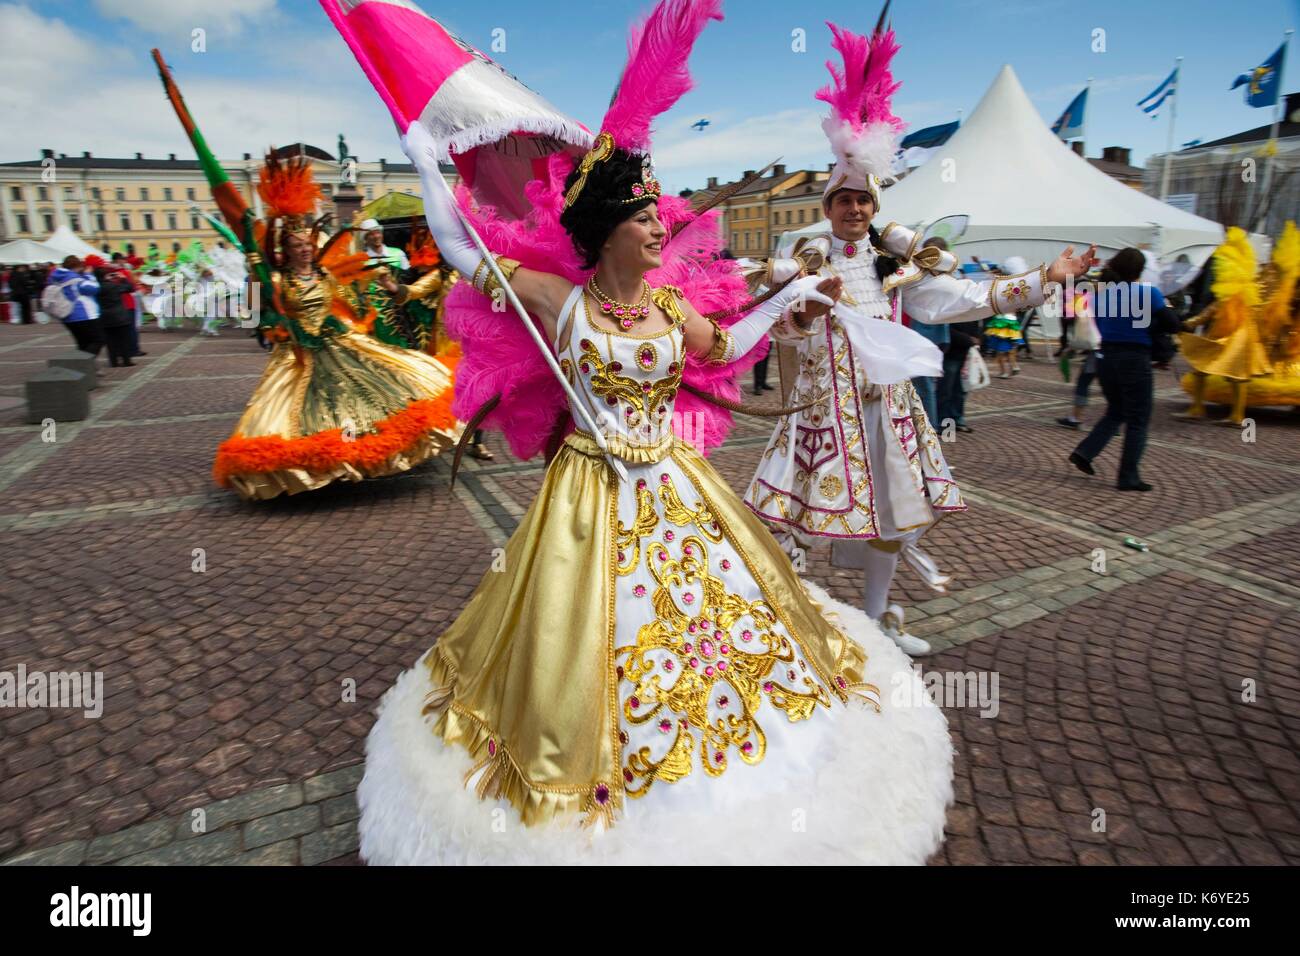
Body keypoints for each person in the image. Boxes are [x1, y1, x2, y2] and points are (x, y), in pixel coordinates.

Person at [347, 0, 953, 866]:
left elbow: (727, 347)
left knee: (735, 617)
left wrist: (790, 299)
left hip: (674, 483)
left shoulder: (668, 304)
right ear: (607, 234)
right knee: (580, 632)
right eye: (645, 219)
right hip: (589, 490)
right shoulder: (559, 300)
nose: (662, 225)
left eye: (659, 216)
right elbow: (460, 249)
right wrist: (424, 159)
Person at [743, 20, 1096, 655]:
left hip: (889, 410)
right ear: (828, 208)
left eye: (863, 201)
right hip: (821, 413)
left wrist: (1045, 279)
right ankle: (794, 630)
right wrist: (807, 316)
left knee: (893, 513)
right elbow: (781, 332)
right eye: (844, 200)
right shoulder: (804, 264)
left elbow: (961, 299)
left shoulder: (896, 267)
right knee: (793, 521)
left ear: (874, 207)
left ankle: (877, 621)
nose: (854, 209)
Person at [211, 150, 463, 500]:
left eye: (306, 245)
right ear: (286, 249)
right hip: (298, 354)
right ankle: (317, 466)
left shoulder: (324, 275)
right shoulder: (279, 280)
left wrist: (371, 300)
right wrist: (262, 290)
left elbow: (351, 303)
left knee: (372, 391)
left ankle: (360, 458)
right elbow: (257, 315)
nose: (304, 250)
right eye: (296, 246)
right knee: (302, 411)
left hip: (337, 340)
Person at [1069, 247, 1178, 490]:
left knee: (1116, 410)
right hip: (1134, 357)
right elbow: (1173, 325)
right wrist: (1166, 309)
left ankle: (1085, 451)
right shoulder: (1149, 293)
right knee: (1138, 418)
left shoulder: (1102, 294)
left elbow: (1096, 322)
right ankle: (1128, 475)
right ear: (1140, 270)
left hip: (1106, 357)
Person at [46, 256, 104, 356]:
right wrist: (88, 274)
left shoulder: (56, 278)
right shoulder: (74, 278)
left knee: (83, 344)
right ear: (77, 266)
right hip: (83, 314)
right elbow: (94, 288)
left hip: (67, 315)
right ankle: (79, 363)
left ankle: (81, 364)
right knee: (98, 340)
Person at [939, 317, 980, 434]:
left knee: (960, 391)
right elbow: (948, 331)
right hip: (951, 355)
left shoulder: (971, 312)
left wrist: (976, 338)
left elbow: (976, 327)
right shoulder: (951, 313)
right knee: (946, 391)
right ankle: (945, 423)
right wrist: (969, 339)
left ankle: (958, 420)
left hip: (965, 355)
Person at [95, 264, 137, 367]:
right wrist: (123, 279)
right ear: (106, 276)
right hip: (119, 316)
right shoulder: (113, 286)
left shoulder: (96, 287)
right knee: (123, 339)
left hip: (104, 316)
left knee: (110, 341)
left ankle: (113, 361)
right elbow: (130, 288)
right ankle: (126, 360)